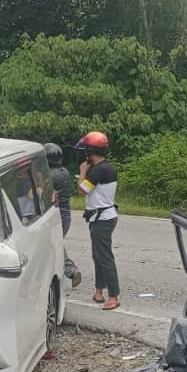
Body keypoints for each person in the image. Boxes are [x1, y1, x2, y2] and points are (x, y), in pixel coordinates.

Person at [76, 131, 120, 310]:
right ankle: (99, 291)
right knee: (98, 256)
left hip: (102, 219)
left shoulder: (97, 171)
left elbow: (81, 191)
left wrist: (82, 172)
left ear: (90, 151)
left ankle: (114, 296)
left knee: (104, 257)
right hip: (102, 216)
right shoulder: (107, 167)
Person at [44, 142, 82, 289]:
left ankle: (69, 270)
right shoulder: (65, 172)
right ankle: (69, 271)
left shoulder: (49, 175)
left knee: (51, 244)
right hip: (66, 214)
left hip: (54, 214)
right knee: (55, 243)